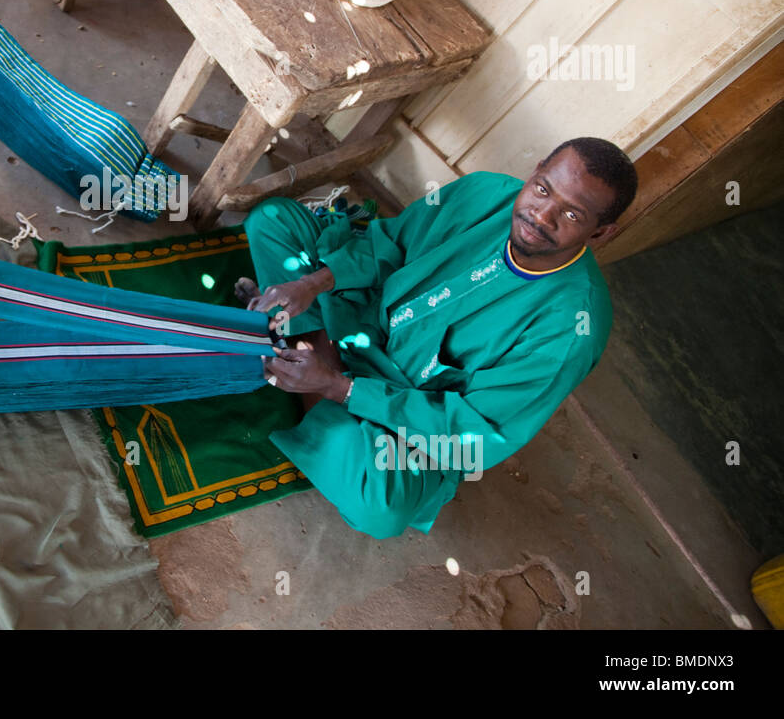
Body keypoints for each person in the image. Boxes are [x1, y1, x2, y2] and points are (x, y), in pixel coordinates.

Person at [238, 138, 638, 538]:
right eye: (543, 189)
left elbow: (477, 433)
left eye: (571, 213)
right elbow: (390, 243)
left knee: (381, 506)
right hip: (361, 313)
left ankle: (305, 358)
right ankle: (313, 367)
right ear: (534, 172)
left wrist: (338, 387)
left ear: (600, 233)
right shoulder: (483, 192)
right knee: (274, 220)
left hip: (406, 409)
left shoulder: (571, 327)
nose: (541, 216)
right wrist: (311, 284)